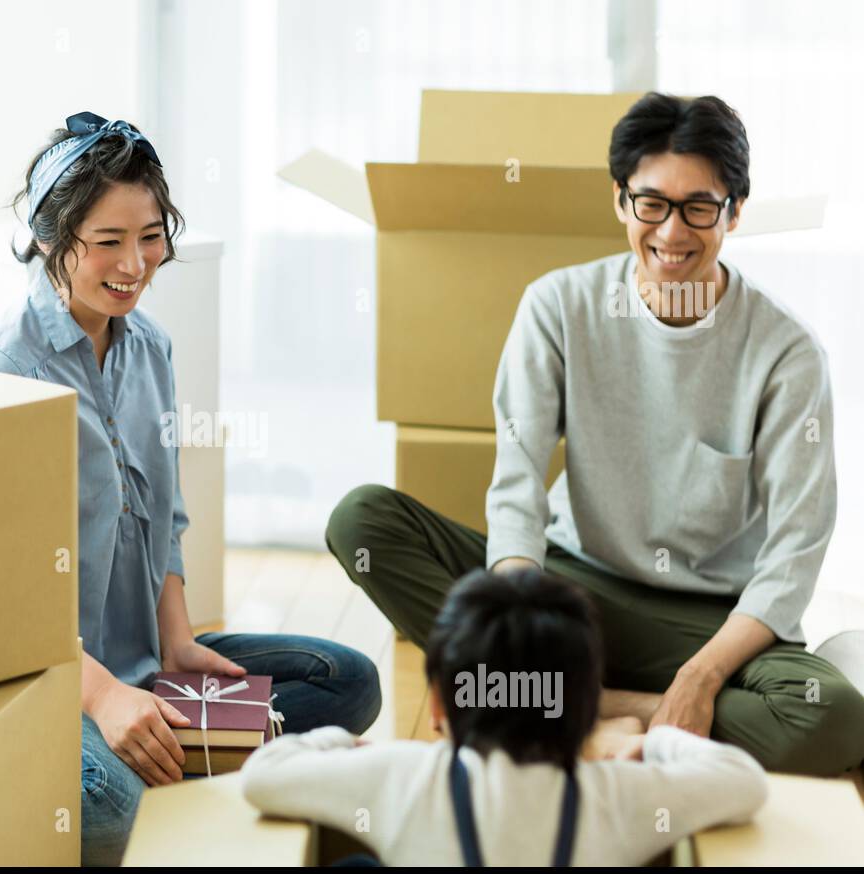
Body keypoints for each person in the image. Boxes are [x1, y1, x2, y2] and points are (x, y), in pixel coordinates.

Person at [326, 92, 864, 776]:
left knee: (832, 717)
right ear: (619, 200)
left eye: (700, 206)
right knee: (363, 519)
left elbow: (794, 551)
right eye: (651, 203)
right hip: (565, 590)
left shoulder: (786, 353)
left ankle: (552, 704)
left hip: (704, 624)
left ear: (735, 212)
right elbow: (517, 484)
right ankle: (593, 699)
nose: (672, 233)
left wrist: (701, 678)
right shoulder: (559, 306)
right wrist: (520, 624)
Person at [0, 113, 381, 866]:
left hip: (147, 660)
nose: (135, 264)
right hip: (53, 681)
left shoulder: (149, 346)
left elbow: (166, 517)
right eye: (109, 242)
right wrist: (102, 698)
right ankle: (191, 778)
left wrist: (179, 645)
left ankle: (181, 773)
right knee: (104, 810)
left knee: (348, 682)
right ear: (53, 238)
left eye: (150, 236)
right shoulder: (2, 370)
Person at [242, 569, 769, 866]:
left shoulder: (399, 776)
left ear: (439, 706)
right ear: (587, 712)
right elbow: (745, 783)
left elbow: (263, 776)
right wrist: (656, 744)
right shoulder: (621, 796)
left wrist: (348, 745)